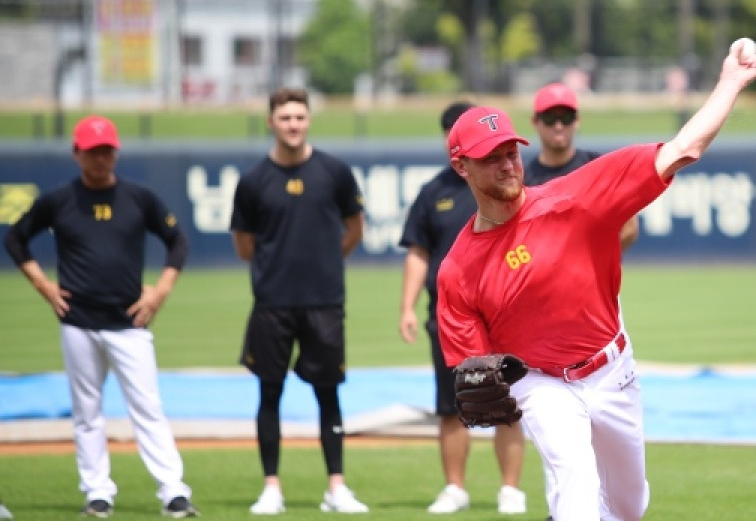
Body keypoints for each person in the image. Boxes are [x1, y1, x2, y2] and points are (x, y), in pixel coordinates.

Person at [436, 43, 756, 519]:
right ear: (461, 165)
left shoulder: (577, 198)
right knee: (576, 490)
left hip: (613, 370)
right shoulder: (458, 270)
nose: (508, 164)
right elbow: (474, 366)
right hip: (543, 383)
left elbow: (681, 149)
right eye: (491, 157)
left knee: (629, 507)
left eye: (511, 151)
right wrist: (488, 383)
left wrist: (731, 81)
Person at [3, 116, 199, 518]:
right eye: (92, 151)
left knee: (147, 408)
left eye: (106, 150)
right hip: (78, 321)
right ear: (77, 153)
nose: (100, 158)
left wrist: (160, 291)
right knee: (87, 413)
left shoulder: (138, 198)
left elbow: (177, 240)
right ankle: (97, 492)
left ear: (116, 152)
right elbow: (15, 238)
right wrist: (44, 287)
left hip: (130, 322)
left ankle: (173, 491)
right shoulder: (59, 201)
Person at [230, 87, 370, 515]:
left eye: (300, 117)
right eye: (285, 117)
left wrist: (323, 264)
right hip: (272, 303)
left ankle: (336, 487)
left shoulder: (335, 172)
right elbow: (244, 244)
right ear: (271, 122)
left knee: (329, 393)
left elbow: (354, 230)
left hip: (324, 301)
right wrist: (280, 268)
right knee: (269, 393)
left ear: (309, 120)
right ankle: (271, 487)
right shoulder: (253, 181)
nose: (293, 124)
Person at [398, 101, 529, 515]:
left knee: (509, 404)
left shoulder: (510, 183)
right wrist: (407, 306)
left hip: (506, 312)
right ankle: (455, 487)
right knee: (452, 405)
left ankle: (510, 489)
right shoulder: (433, 192)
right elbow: (418, 253)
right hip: (450, 316)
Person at [525, 82, 638, 250]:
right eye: (550, 118)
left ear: (577, 120)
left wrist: (590, 258)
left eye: (566, 117)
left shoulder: (600, 168)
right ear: (535, 121)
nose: (558, 126)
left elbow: (629, 227)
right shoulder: (524, 180)